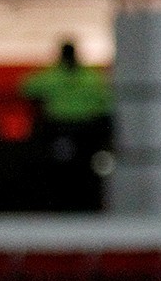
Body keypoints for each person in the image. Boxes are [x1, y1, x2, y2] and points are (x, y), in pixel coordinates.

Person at [18, 39, 113, 212]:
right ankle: (77, 204)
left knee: (73, 170)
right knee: (75, 171)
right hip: (74, 130)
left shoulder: (55, 76)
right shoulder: (89, 76)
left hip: (69, 129)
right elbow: (105, 103)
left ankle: (72, 204)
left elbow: (27, 87)